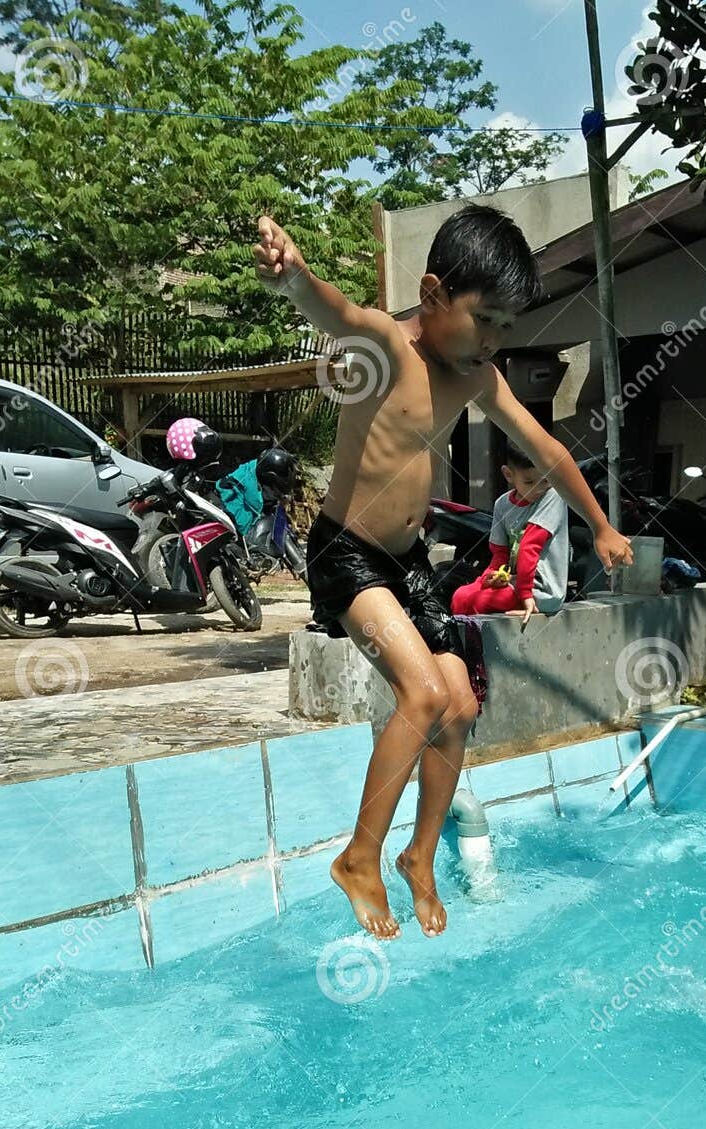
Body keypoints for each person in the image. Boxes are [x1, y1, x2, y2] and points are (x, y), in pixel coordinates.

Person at [253, 206, 632, 940]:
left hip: (407, 560)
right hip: (346, 554)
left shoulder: (477, 378)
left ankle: (419, 855)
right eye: (482, 319)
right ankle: (358, 856)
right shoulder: (387, 349)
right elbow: (335, 309)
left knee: (459, 699)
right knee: (423, 693)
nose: (491, 341)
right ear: (431, 294)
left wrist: (603, 524)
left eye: (504, 329)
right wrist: (294, 276)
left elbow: (549, 453)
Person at [451, 444, 569, 624]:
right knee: (460, 596)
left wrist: (525, 595)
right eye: (529, 482)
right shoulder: (502, 505)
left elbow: (529, 546)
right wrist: (489, 578)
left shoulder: (553, 496)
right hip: (515, 583)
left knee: (476, 602)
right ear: (508, 475)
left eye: (544, 481)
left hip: (539, 591)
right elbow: (500, 554)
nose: (538, 489)